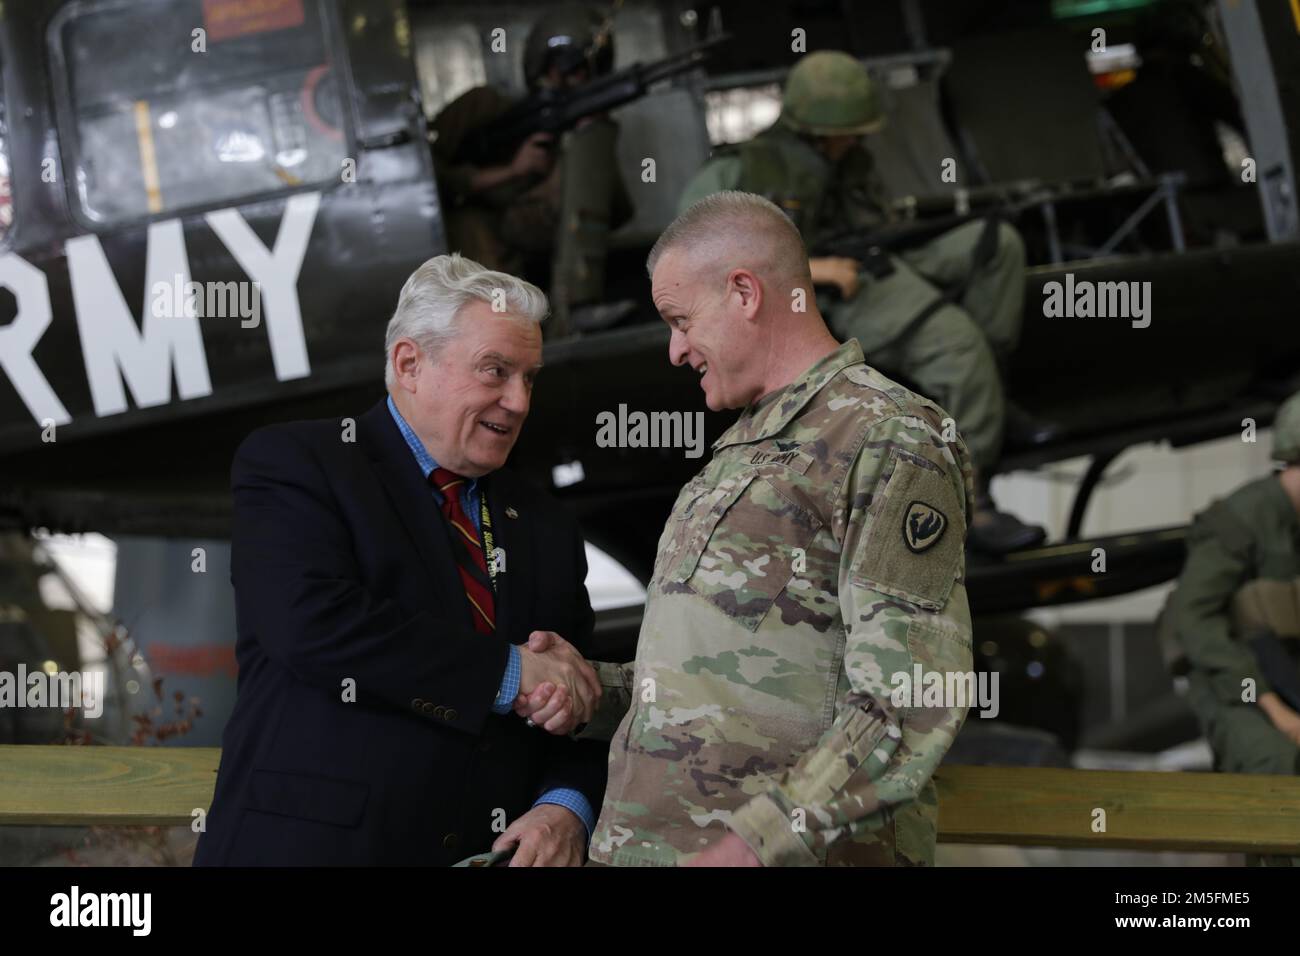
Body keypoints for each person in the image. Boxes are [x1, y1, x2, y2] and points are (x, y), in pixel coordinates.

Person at [518, 192, 975, 866]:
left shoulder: (885, 436)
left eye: (681, 320)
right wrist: (594, 689)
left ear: (743, 292)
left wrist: (756, 846)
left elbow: (911, 699)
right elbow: (734, 686)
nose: (675, 351)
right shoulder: (739, 451)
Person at [194, 254, 604, 867]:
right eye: (495, 371)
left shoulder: (547, 523)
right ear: (410, 365)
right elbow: (310, 625)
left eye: (529, 377)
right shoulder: (297, 464)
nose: (518, 401)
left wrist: (567, 806)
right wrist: (510, 673)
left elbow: (579, 692)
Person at [678, 51, 1047, 554]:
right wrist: (812, 271)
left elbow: (873, 218)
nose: (857, 140)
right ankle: (970, 503)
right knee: (958, 347)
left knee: (995, 244)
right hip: (823, 293)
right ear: (816, 130)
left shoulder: (846, 161)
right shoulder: (742, 169)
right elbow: (696, 257)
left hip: (872, 256)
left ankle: (990, 396)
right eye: (848, 131)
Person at [431, 3, 633, 332]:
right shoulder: (482, 106)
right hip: (466, 233)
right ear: (543, 65)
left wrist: (589, 134)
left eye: (586, 70)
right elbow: (428, 179)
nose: (576, 78)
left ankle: (575, 306)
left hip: (522, 222)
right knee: (471, 229)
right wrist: (512, 171)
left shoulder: (569, 138)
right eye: (567, 67)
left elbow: (619, 213)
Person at [1165, 391, 1300, 781]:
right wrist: (1275, 708)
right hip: (1233, 678)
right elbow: (1195, 617)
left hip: (1287, 668)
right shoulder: (1242, 519)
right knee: (1276, 767)